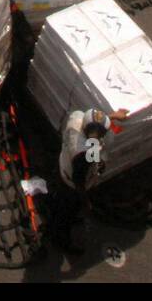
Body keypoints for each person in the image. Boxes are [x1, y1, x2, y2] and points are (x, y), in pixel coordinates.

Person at [55, 107, 130, 253]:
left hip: (64, 165)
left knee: (64, 203)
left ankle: (64, 212)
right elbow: (78, 180)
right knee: (66, 212)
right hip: (71, 183)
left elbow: (93, 122)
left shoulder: (77, 117)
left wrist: (113, 116)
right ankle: (61, 239)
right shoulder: (84, 153)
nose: (97, 136)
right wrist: (85, 201)